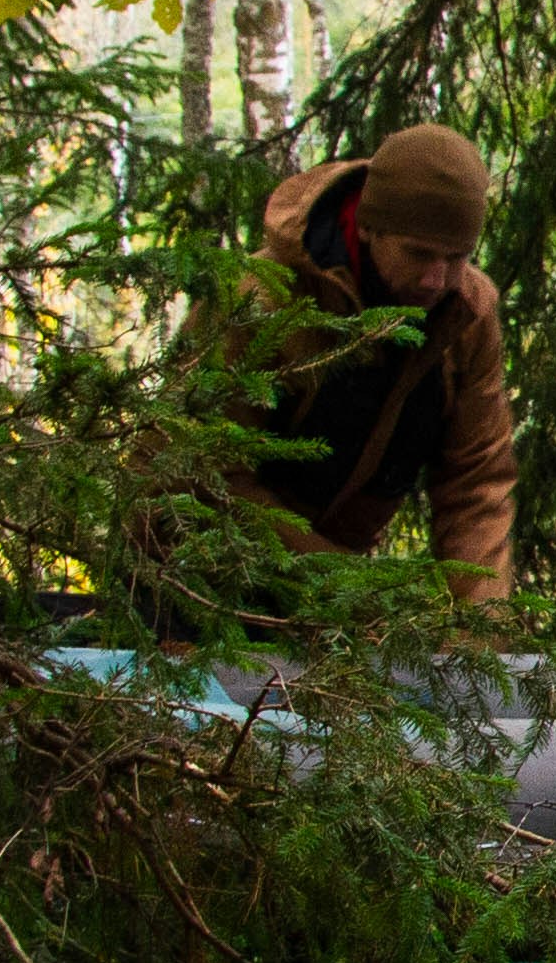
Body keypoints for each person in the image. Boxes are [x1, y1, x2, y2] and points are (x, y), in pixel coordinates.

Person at [196, 123, 517, 606]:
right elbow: (206, 476)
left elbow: (477, 485)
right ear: (368, 227)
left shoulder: (467, 313)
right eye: (418, 253)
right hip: (193, 573)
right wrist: (344, 588)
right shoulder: (258, 301)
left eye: (457, 257)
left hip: (329, 593)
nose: (436, 280)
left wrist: (478, 634)